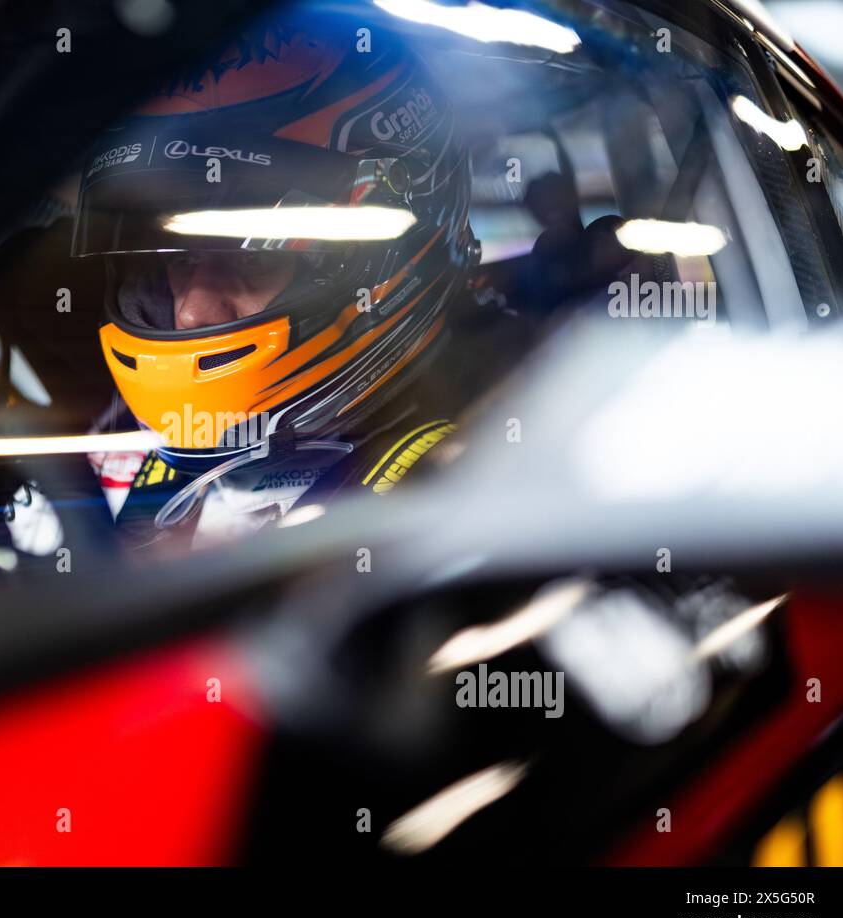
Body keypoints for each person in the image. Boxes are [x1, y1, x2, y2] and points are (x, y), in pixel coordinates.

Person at [71, 19, 519, 549]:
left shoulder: (494, 477)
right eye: (181, 256)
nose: (190, 312)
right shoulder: (122, 463)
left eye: (255, 260)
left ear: (387, 257)